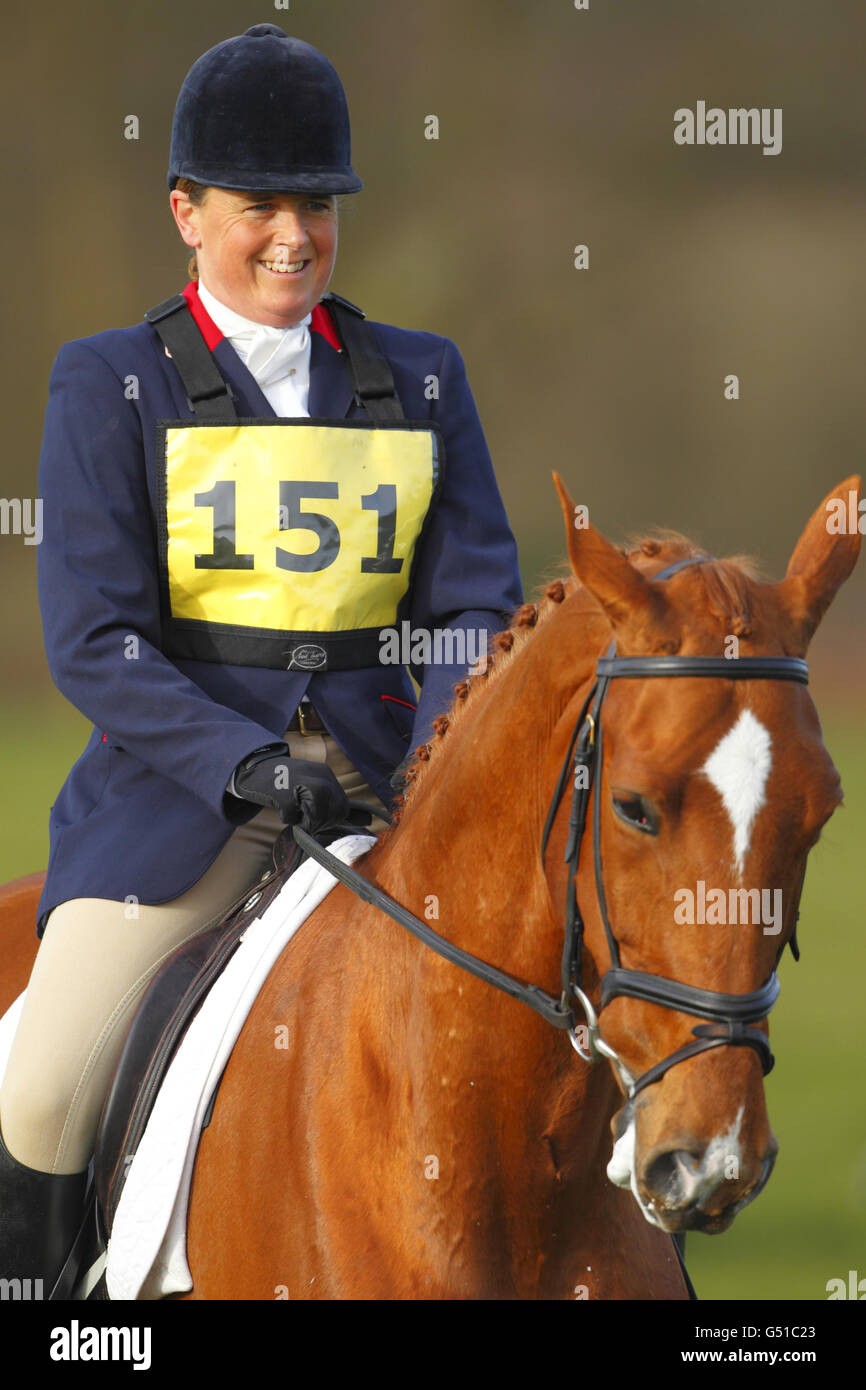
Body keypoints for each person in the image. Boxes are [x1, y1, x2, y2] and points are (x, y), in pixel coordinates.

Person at [0, 23, 522, 1295]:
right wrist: (246, 763)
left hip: (392, 806)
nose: (291, 234)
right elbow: (94, 639)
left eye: (316, 204)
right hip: (179, 818)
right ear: (186, 212)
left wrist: (439, 776)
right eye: (256, 206)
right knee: (40, 1086)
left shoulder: (422, 379)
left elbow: (474, 608)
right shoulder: (108, 383)